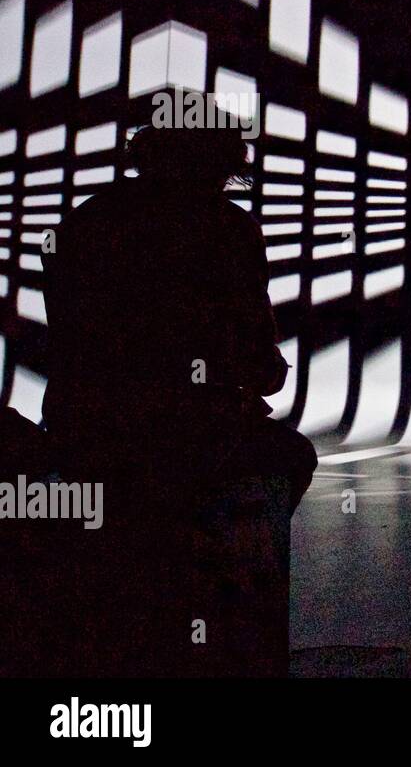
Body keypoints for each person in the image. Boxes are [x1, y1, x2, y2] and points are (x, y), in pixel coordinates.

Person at [41, 124, 316, 511]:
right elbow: (258, 364)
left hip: (81, 432)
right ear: (220, 168)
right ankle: (218, 564)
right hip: (188, 438)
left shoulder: (82, 222)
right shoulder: (231, 230)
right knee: (293, 456)